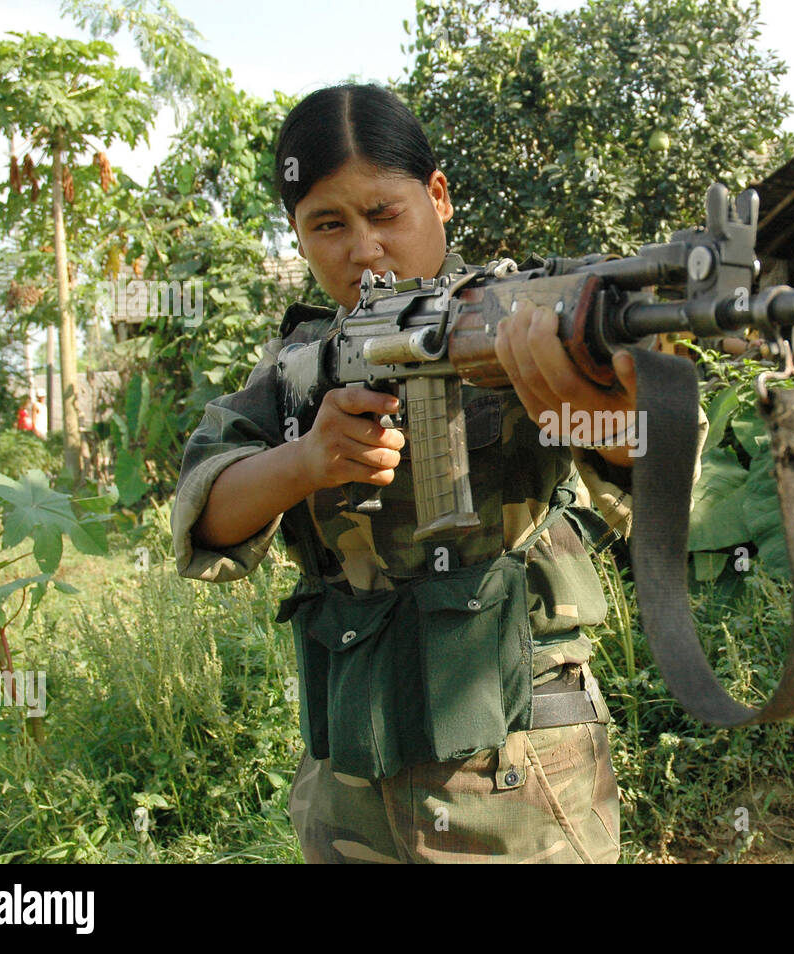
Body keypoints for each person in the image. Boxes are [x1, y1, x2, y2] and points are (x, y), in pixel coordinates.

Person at [171, 84, 641, 863]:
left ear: (438, 196)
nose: (363, 249)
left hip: (515, 769)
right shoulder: (302, 361)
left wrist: (611, 411)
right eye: (328, 224)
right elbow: (205, 515)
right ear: (298, 236)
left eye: (385, 213)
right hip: (349, 768)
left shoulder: (516, 318)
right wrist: (305, 461)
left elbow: (653, 478)